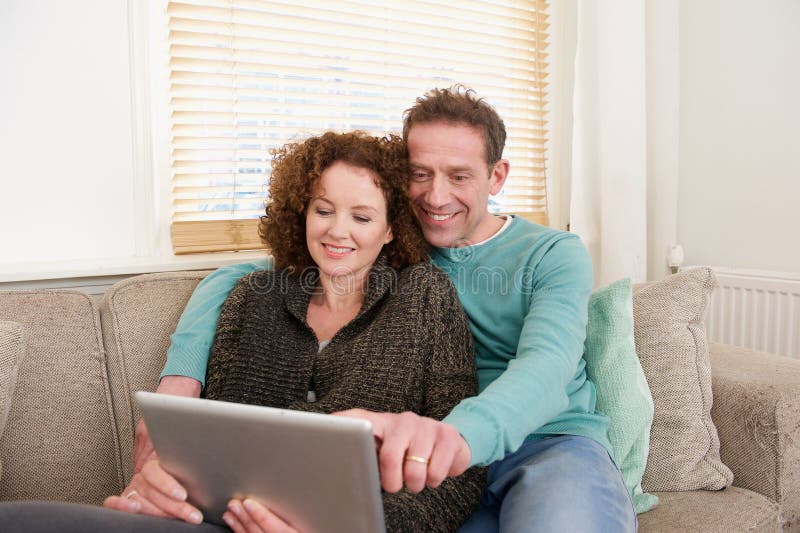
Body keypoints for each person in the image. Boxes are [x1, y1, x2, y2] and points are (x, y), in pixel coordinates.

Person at [113, 86, 637, 532]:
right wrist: (180, 381)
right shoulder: (393, 241)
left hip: (540, 444)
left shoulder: (552, 253)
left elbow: (547, 369)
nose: (436, 197)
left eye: (459, 176)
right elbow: (244, 276)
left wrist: (452, 438)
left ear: (497, 177)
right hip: (432, 461)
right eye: (420, 174)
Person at [0, 132, 485, 532]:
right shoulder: (253, 297)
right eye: (323, 210)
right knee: (21, 520)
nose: (338, 231)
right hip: (222, 521)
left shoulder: (426, 299)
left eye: (361, 217)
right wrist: (162, 482)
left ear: (391, 229)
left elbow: (463, 472)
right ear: (302, 213)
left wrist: (364, 526)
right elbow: (213, 442)